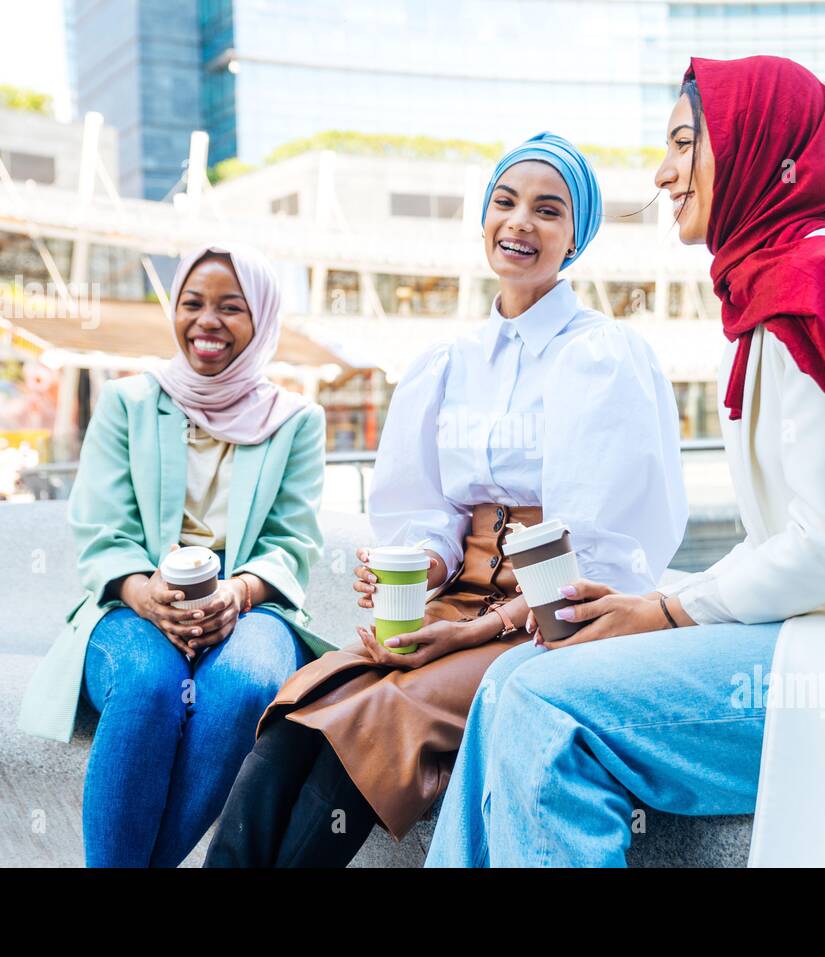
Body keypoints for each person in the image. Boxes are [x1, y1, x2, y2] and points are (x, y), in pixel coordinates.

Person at [425, 56, 825, 868]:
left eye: (685, 143)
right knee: (511, 680)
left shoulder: (814, 283)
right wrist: (661, 600)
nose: (663, 171)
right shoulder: (788, 277)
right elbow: (805, 535)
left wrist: (671, 612)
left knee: (546, 705)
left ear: (757, 145)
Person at [204, 132, 688, 868]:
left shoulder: (605, 356)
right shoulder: (446, 363)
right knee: (298, 717)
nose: (520, 221)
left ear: (575, 238)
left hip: (550, 621)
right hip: (459, 603)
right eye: (505, 202)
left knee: (378, 721)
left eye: (547, 210)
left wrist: (477, 628)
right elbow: (429, 514)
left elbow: (600, 554)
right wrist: (416, 569)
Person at [17, 242, 330, 867]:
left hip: (249, 608)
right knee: (149, 683)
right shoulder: (129, 402)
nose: (206, 320)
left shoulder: (295, 421)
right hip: (133, 601)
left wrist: (234, 595)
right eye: (192, 303)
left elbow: (291, 545)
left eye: (231, 307)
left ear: (262, 318)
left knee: (242, 687)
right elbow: (102, 528)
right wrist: (143, 593)